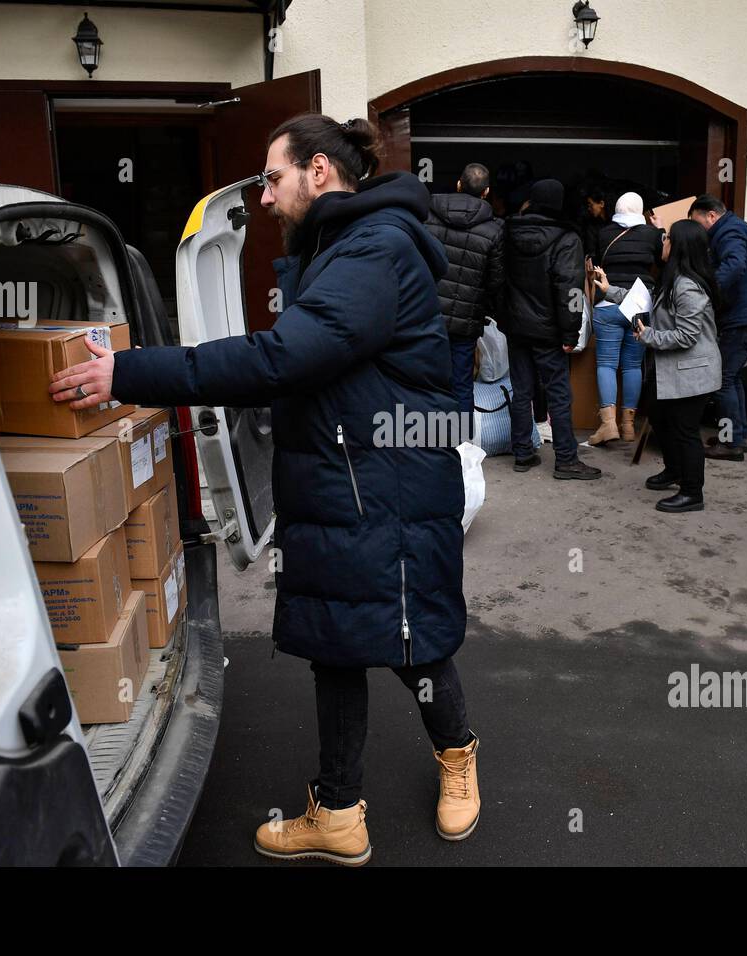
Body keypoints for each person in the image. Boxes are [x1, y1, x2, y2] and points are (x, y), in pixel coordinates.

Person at [48, 113, 480, 864]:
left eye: (273, 178)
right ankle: (339, 813)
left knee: (414, 642)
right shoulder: (339, 249)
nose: (266, 197)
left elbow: (284, 358)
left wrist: (131, 372)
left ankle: (458, 756)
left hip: (391, 487)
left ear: (320, 170)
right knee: (336, 645)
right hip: (341, 481)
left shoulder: (372, 250)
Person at [593, 218, 721, 511]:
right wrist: (610, 289)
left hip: (693, 372)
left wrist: (647, 335)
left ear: (678, 247)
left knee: (686, 430)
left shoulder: (688, 286)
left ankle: (692, 493)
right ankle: (675, 470)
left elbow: (687, 336)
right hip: (676, 370)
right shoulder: (673, 278)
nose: (662, 242)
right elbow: (645, 302)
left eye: (666, 239)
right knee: (661, 417)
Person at [503, 178, 602, 479]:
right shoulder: (566, 239)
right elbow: (570, 290)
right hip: (548, 330)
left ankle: (522, 453)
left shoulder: (508, 231)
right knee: (558, 394)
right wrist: (571, 333)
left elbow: (496, 276)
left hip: (516, 326)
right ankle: (566, 459)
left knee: (521, 390)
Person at [688, 194, 747, 461]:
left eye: (697, 222)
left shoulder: (730, 230)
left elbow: (734, 265)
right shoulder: (732, 228)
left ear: (711, 216)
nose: (697, 229)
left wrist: (705, 292)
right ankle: (739, 436)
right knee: (732, 377)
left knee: (721, 377)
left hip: (744, 318)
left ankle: (732, 442)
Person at [425, 163, 506, 423]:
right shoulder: (494, 230)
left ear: (458, 184)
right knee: (461, 382)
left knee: (427, 380)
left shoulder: (427, 217)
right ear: (486, 192)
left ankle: (427, 444)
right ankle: (460, 449)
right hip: (467, 320)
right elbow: (496, 281)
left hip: (428, 315)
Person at [587, 191, 663, 445]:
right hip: (639, 306)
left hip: (608, 303)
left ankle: (608, 425)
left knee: (607, 364)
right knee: (632, 365)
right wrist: (660, 229)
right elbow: (663, 262)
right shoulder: (653, 235)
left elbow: (594, 266)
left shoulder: (603, 233)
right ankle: (629, 425)